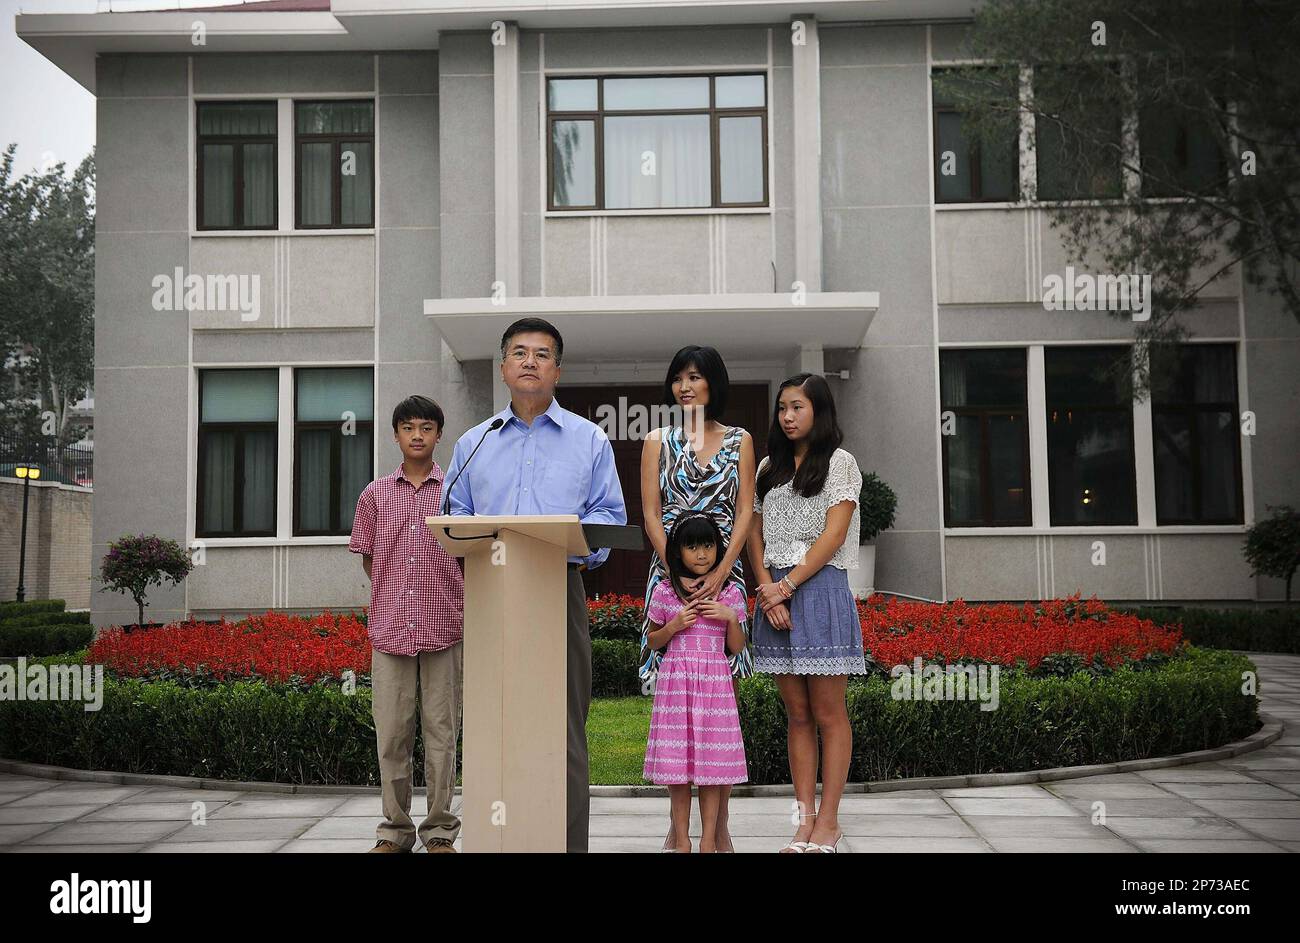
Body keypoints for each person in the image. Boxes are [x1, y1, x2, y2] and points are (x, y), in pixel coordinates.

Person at [443, 317, 627, 853]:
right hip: (491, 595)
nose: (530, 362)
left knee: (562, 726)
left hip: (557, 590)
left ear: (558, 370)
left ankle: (566, 845)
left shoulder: (588, 439)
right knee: (492, 723)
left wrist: (573, 542)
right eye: (519, 352)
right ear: (503, 367)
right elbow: (454, 515)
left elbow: (608, 518)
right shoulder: (474, 443)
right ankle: (497, 840)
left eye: (542, 354)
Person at [638, 344, 755, 852]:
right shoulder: (656, 441)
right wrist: (676, 570)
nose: (685, 386)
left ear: (713, 383)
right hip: (671, 576)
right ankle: (681, 828)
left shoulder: (740, 440)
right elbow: (650, 513)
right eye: (679, 378)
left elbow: (746, 510)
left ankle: (717, 827)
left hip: (724, 574)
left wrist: (723, 570)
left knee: (718, 713)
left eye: (695, 377)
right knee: (679, 709)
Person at [746, 373, 866, 854]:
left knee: (828, 713)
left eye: (797, 407)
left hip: (819, 590)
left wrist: (787, 587)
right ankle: (805, 820)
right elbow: (752, 532)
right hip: (774, 595)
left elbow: (834, 535)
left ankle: (829, 823)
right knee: (797, 715)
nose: (788, 416)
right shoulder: (768, 468)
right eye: (782, 408)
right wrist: (767, 591)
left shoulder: (840, 463)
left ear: (819, 409)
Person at [349, 395, 464, 854]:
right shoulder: (374, 495)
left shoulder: (457, 491)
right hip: (390, 630)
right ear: (396, 435)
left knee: (442, 735)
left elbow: (470, 555)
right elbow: (369, 559)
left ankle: (440, 832)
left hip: (444, 629)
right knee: (392, 736)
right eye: (409, 428)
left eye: (427, 428)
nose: (418, 435)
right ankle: (394, 832)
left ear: (439, 435)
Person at [642, 513, 749, 853]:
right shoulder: (664, 592)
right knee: (678, 767)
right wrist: (673, 626)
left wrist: (730, 619)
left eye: (708, 546)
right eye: (692, 547)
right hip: (677, 688)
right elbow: (652, 641)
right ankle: (682, 841)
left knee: (712, 769)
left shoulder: (729, 594)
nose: (702, 554)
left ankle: (708, 841)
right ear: (677, 551)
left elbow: (737, 647)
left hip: (715, 687)